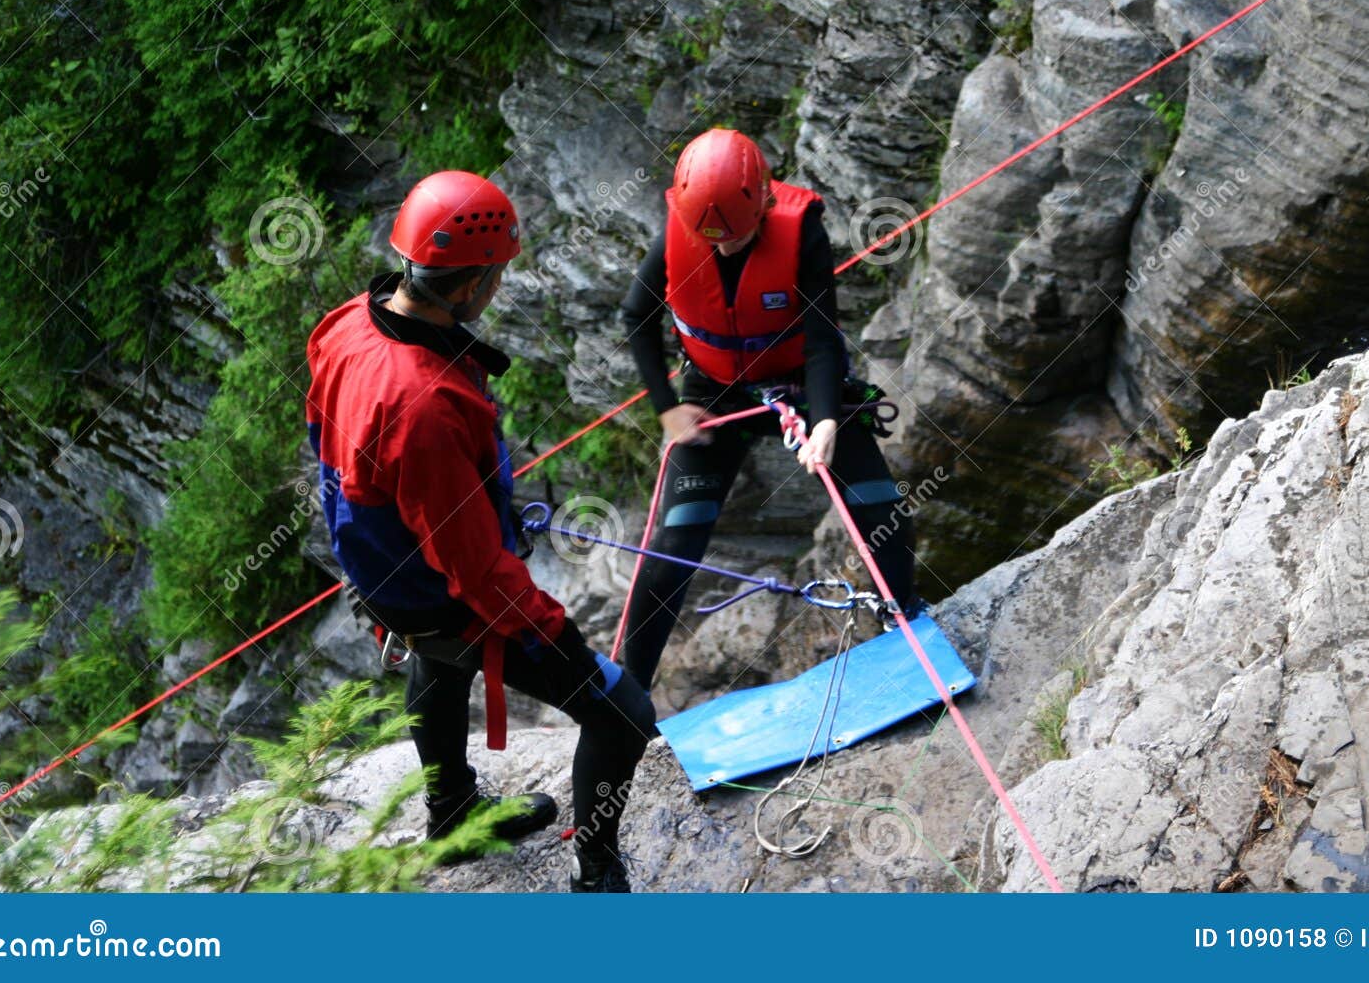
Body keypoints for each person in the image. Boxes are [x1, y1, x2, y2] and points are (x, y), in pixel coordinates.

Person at [306, 170, 655, 892]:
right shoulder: (424, 402)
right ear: (468, 288)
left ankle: (453, 814)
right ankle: (596, 876)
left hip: (379, 564)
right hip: (436, 584)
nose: (499, 284)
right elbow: (470, 566)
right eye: (496, 273)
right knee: (622, 711)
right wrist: (551, 630)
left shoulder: (348, 322)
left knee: (437, 663)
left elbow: (323, 431)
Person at [618, 129, 920, 691]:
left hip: (802, 383)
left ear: (764, 203)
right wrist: (667, 409)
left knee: (880, 506)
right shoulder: (680, 229)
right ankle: (629, 691)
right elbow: (636, 316)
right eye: (714, 240)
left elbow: (822, 337)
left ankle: (904, 627)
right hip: (713, 393)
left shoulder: (801, 233)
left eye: (736, 237)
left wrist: (826, 418)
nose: (725, 248)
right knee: (678, 538)